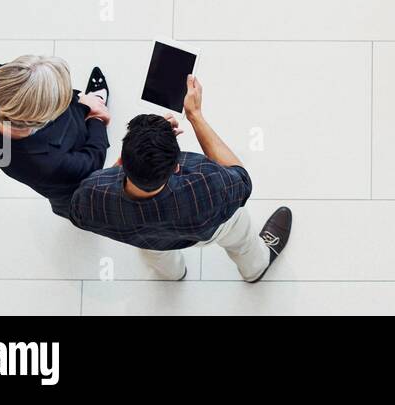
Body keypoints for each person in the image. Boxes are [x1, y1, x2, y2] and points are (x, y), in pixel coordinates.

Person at [70, 75, 291, 283]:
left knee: (158, 255)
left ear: (120, 161)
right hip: (207, 230)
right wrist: (195, 115)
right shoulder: (207, 182)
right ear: (176, 167)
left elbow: (79, 214)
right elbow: (242, 181)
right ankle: (255, 269)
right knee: (240, 235)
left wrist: (152, 148)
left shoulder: (91, 195)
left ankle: (173, 275)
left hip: (148, 239)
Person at [0, 56, 111, 218]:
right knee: (73, 204)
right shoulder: (53, 164)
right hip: (64, 188)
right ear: (44, 119)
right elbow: (93, 160)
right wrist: (95, 117)